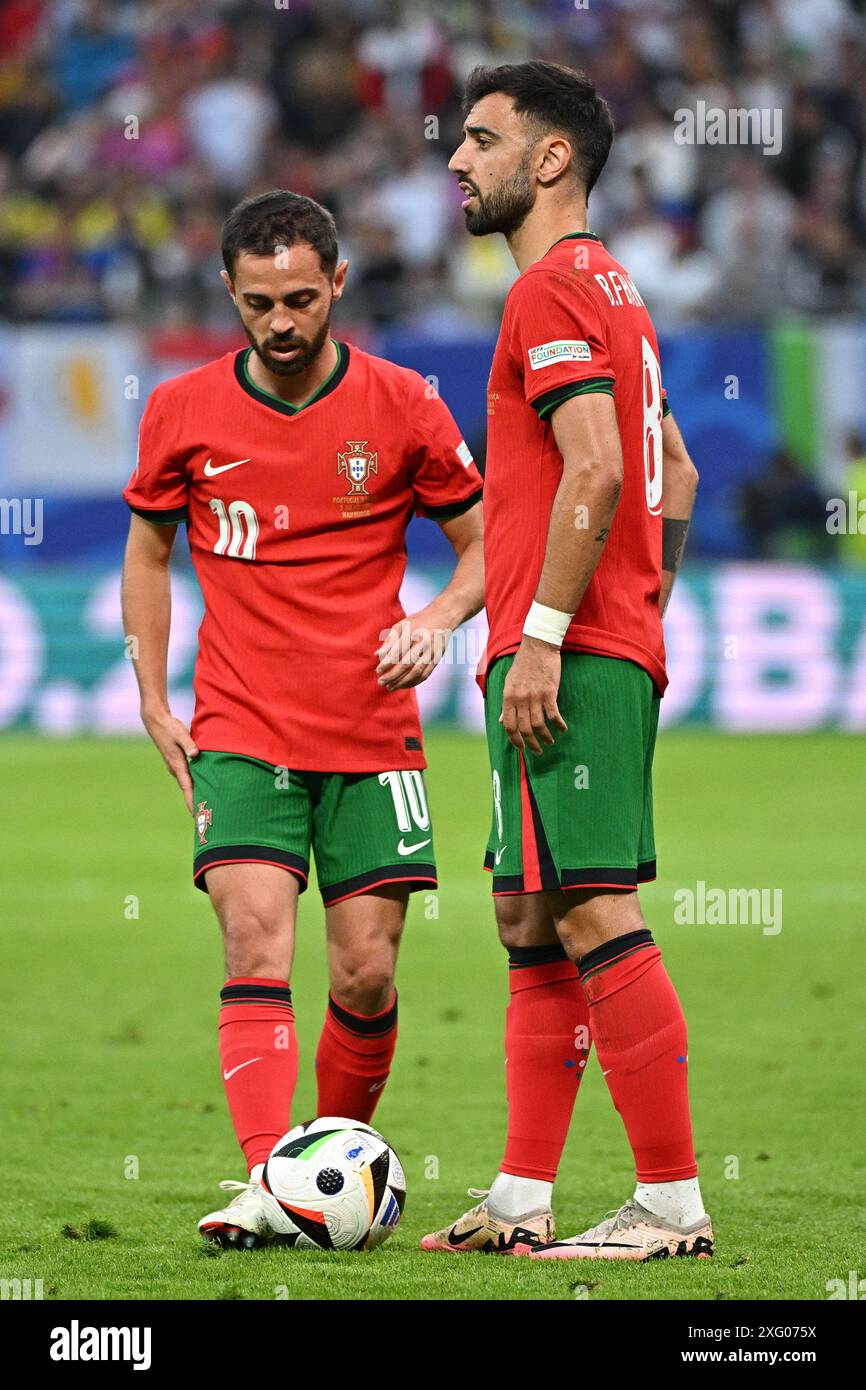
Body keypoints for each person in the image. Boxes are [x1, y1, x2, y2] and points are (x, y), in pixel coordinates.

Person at [121, 189, 484, 1247]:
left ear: (336, 283)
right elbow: (148, 552)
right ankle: (266, 1185)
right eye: (256, 302)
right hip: (237, 722)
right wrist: (151, 690)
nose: (279, 321)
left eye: (297, 298)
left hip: (372, 729)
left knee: (366, 970)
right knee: (253, 942)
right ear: (228, 294)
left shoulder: (403, 403)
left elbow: (485, 539)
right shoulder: (182, 409)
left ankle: (317, 1166)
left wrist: (437, 615)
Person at [422, 62, 710, 1261]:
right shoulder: (617, 293)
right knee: (524, 913)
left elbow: (596, 470)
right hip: (598, 634)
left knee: (592, 908)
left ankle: (668, 1204)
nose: (455, 160)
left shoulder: (546, 290)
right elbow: (674, 475)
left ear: (549, 160)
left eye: (479, 139)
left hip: (564, 644)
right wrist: (641, 606)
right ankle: (519, 1195)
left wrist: (549, 634)